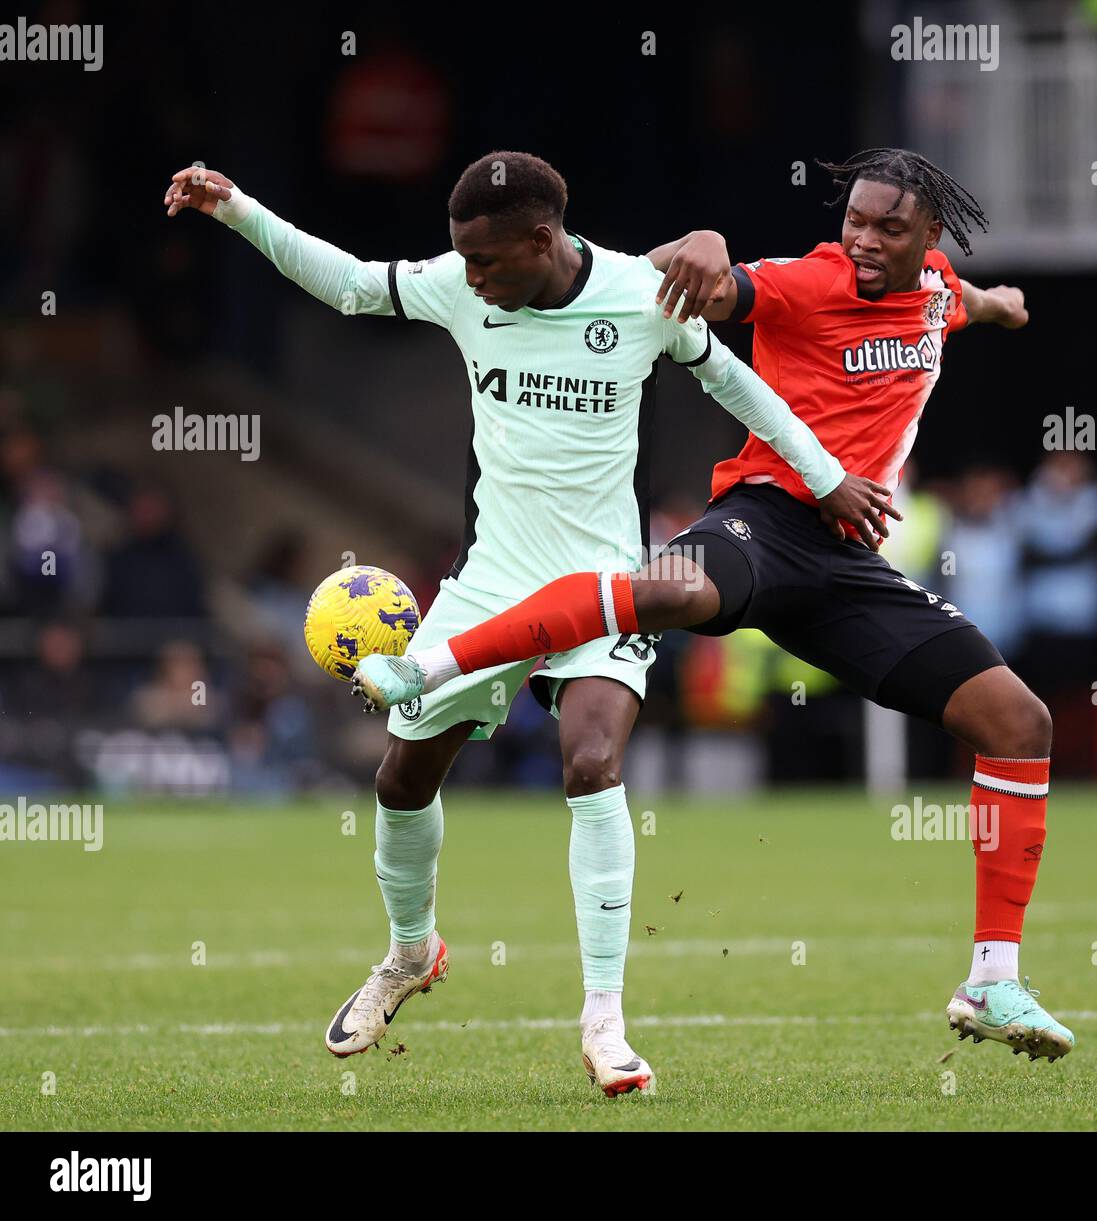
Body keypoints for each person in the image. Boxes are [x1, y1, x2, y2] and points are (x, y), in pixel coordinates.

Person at [164, 150, 890, 1094]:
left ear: (543, 239)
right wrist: (237, 208)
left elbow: (736, 384)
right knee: (400, 776)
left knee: (591, 762)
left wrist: (825, 476)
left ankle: (604, 1023)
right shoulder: (462, 289)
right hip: (489, 584)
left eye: (486, 262)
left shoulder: (639, 296)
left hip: (603, 592)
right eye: (461, 259)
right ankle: (410, 952)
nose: (469, 278)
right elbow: (345, 286)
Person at [357, 148, 1075, 1062]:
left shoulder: (934, 285)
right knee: (667, 590)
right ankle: (430, 662)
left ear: (929, 237)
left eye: (886, 228)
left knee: (1018, 719)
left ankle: (992, 979)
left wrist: (998, 304)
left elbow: (954, 304)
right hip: (764, 522)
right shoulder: (810, 280)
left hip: (846, 562)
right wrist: (700, 241)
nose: (860, 239)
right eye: (853, 218)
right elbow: (693, 284)